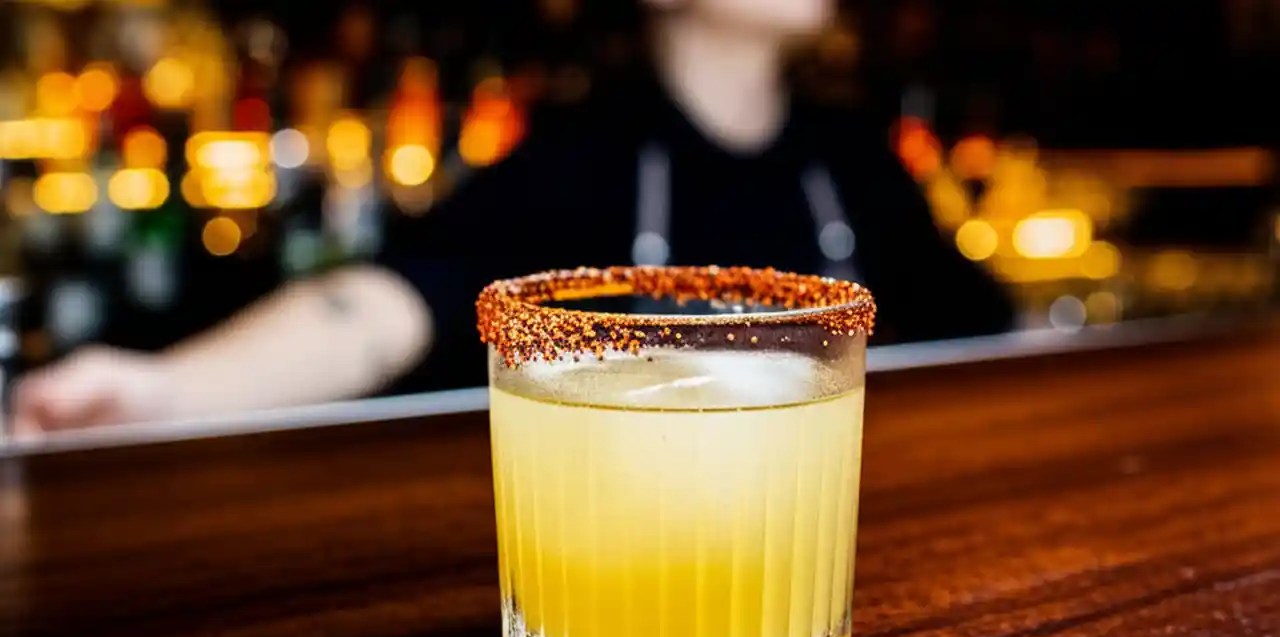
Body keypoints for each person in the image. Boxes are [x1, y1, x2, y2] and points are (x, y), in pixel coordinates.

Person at [11, 0, 1013, 436]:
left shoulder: (855, 159)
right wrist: (166, 391)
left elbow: (983, 338)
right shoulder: (581, 153)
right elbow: (392, 303)